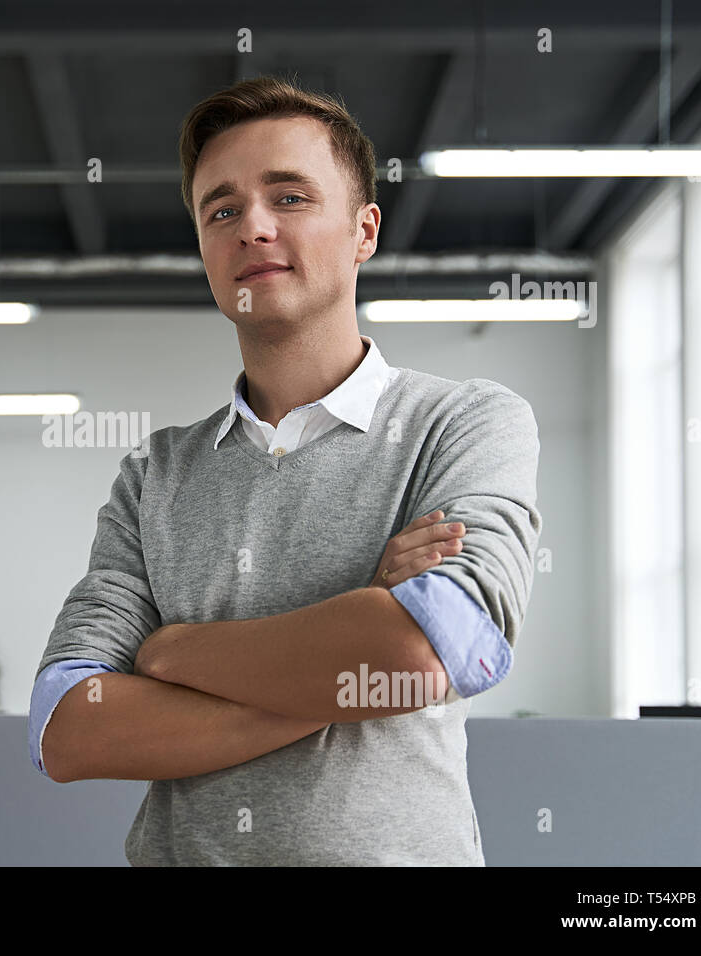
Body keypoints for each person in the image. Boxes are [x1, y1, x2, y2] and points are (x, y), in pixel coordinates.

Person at [28, 75, 542, 865]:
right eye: (222, 210)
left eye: (290, 197)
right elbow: (69, 729)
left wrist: (173, 652)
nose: (253, 228)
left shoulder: (466, 422)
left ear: (365, 230)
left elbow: (432, 654)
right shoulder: (154, 474)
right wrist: (363, 616)